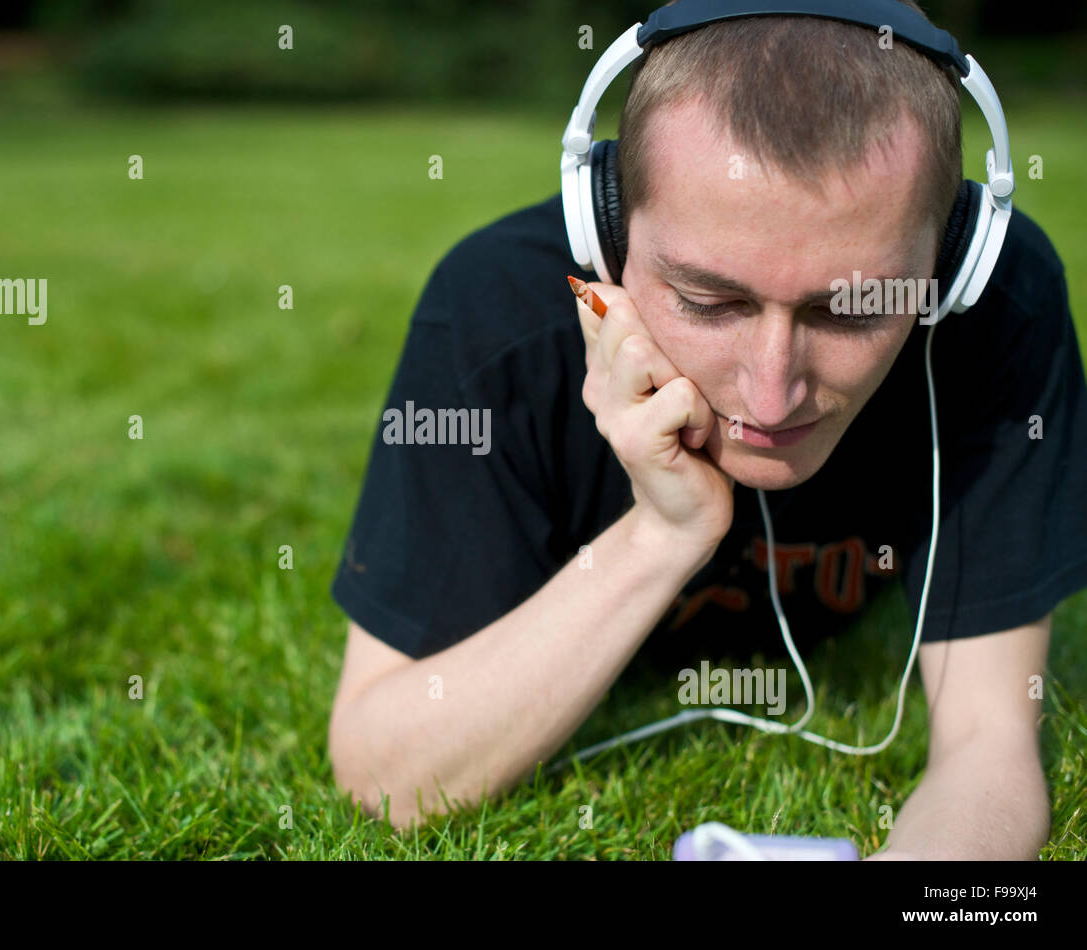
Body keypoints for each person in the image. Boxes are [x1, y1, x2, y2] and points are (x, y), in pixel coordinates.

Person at [326, 2, 1087, 858]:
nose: (772, 396)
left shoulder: (1000, 308)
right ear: (604, 231)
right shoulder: (490, 318)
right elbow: (383, 770)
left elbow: (988, 745)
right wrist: (663, 532)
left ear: (954, 264)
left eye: (848, 310)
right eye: (708, 301)